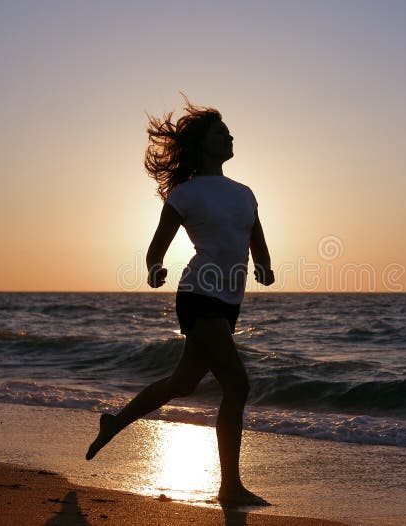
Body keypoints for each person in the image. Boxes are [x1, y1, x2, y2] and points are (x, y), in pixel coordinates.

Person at [85, 99, 275, 507]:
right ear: (203, 143)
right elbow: (156, 248)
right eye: (221, 132)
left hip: (229, 301)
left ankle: (114, 423)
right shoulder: (184, 194)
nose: (230, 136)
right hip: (198, 295)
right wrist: (155, 268)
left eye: (229, 131)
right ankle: (230, 486)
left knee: (182, 384)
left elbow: (256, 240)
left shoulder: (245, 193)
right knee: (237, 385)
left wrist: (265, 265)